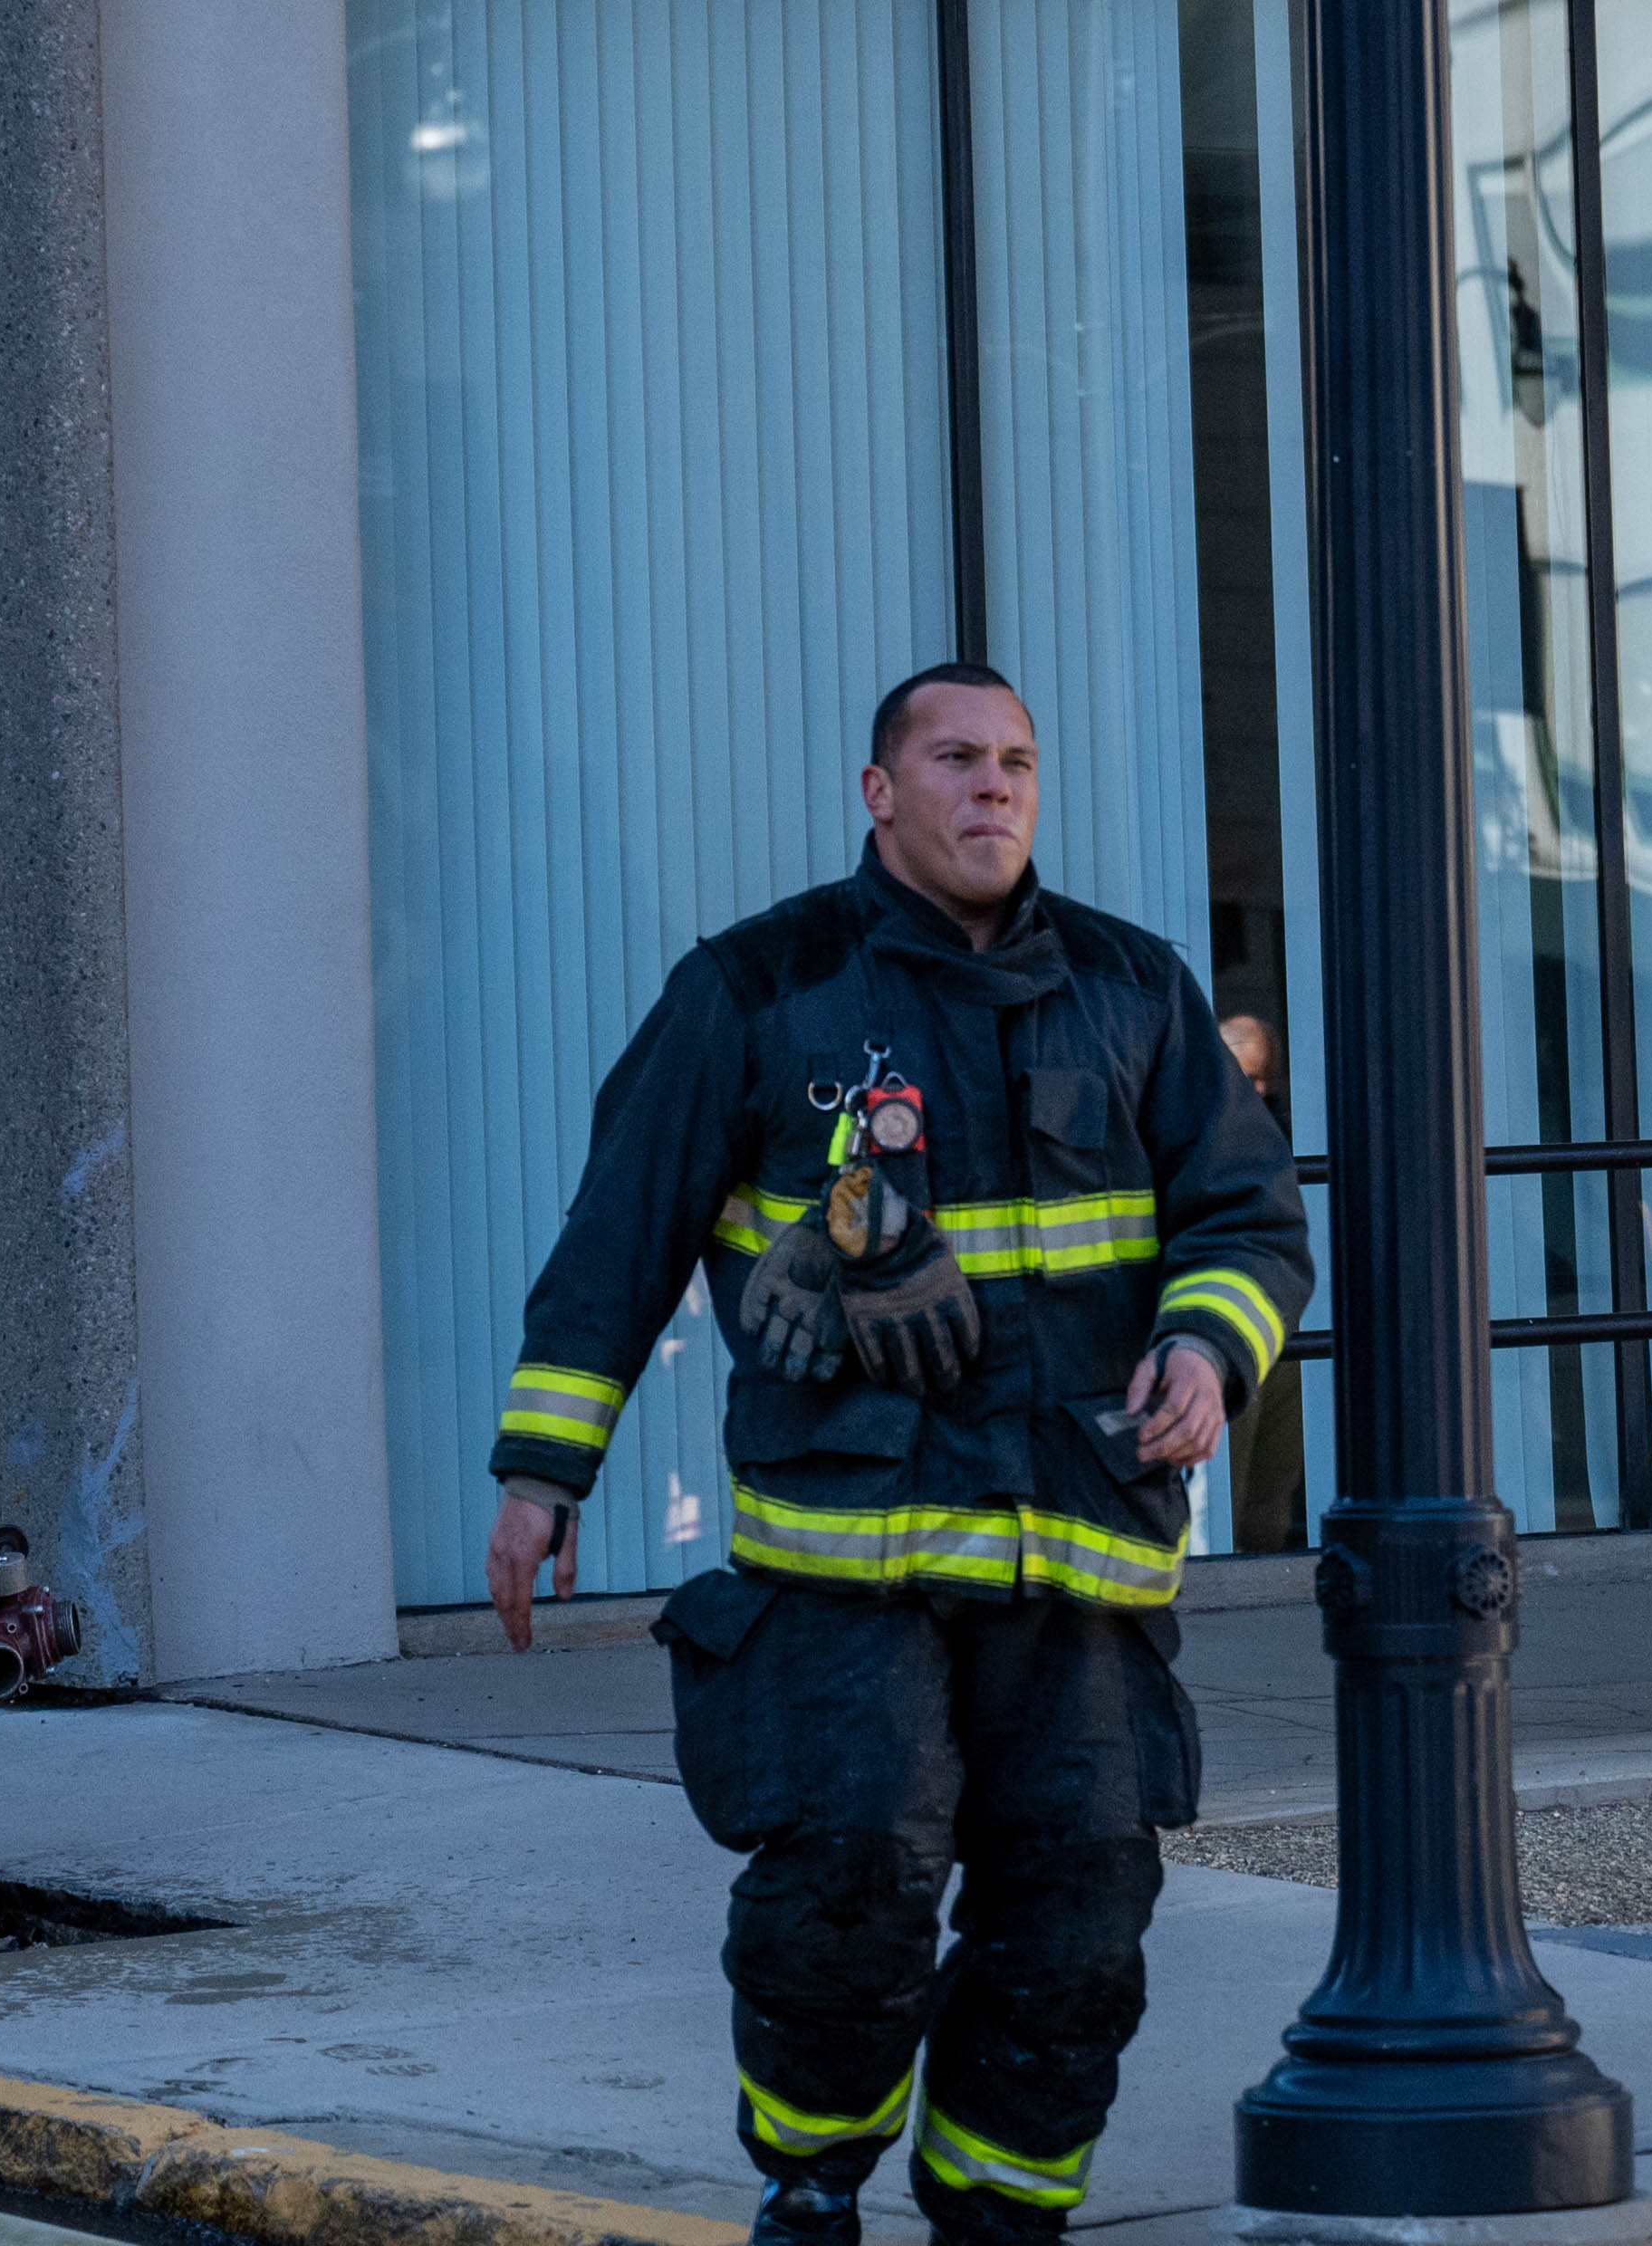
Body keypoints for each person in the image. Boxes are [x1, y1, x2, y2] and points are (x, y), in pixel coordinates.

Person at [484, 664, 1311, 2246]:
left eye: (1014, 760)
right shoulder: (759, 987)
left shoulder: (1135, 990)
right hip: (841, 1566)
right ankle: (811, 2184)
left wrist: (1206, 1346)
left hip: (1075, 1554)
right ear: (880, 790)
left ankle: (1000, 2209)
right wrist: (543, 1474)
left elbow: (1248, 1216)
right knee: (848, 1888)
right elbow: (617, 1240)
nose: (990, 786)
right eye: (952, 758)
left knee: (1077, 1916)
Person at [1211, 1010, 1312, 1554]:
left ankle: (1267, 1573)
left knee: (1273, 1485)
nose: (1253, 1090)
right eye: (1238, 1075)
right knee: (1231, 1480)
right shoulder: (1181, 1136)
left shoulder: (1291, 1135)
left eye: (1259, 1077)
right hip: (1218, 1338)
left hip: (1285, 1333)